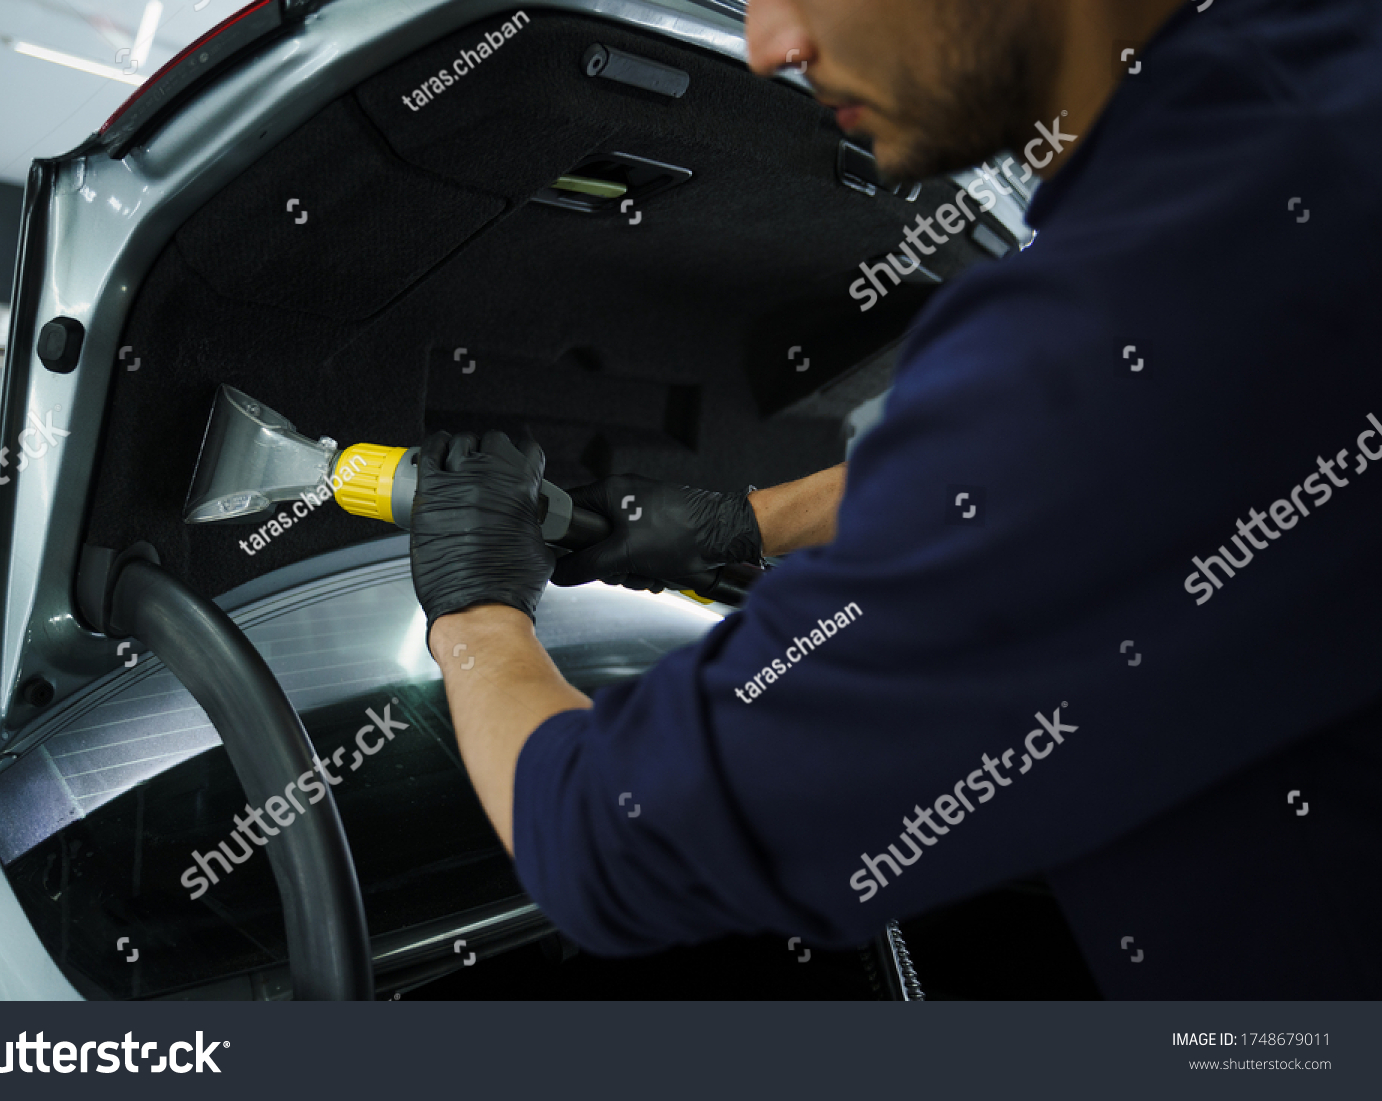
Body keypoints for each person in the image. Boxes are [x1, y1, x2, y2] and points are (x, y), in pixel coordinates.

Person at [406, 0, 1382, 997]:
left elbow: (620, 843)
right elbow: (1118, 465)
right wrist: (752, 523)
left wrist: (474, 608)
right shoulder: (1311, 122)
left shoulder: (1141, 308)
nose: (771, 46)